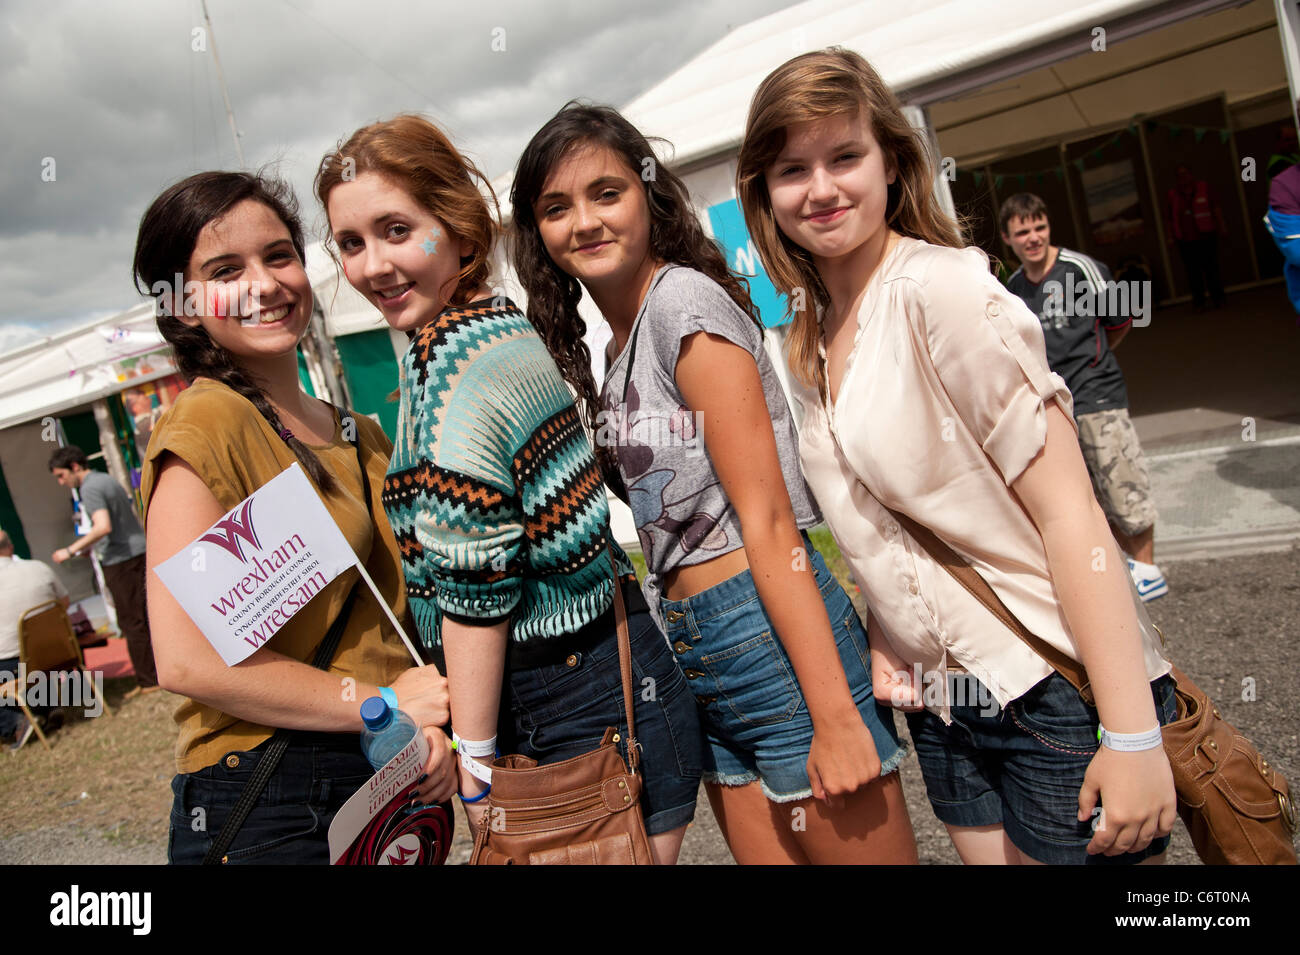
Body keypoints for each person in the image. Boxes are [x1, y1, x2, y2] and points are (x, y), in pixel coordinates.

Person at [737, 47, 1177, 865]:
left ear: (894, 166)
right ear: (764, 192)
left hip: (1050, 686)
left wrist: (1132, 731)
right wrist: (886, 623)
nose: (821, 187)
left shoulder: (945, 291)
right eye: (792, 168)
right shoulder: (801, 341)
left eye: (844, 156)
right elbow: (880, 518)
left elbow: (1070, 511)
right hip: (937, 701)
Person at [510, 102, 918, 864]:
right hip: (699, 650)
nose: (585, 222)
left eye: (607, 193)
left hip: (767, 634)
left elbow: (767, 520)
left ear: (648, 196)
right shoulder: (617, 347)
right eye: (556, 207)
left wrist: (834, 715)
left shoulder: (681, 304)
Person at [317, 115, 703, 865]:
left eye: (398, 230)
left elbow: (476, 588)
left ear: (460, 231)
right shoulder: (463, 336)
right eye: (351, 243)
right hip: (583, 687)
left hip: (571, 705)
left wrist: (477, 757)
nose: (372, 265)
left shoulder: (466, 367)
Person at [134, 170, 454, 864]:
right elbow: (188, 660)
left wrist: (423, 734)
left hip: (379, 772)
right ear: (184, 304)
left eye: (279, 255)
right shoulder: (208, 423)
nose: (266, 283)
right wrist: (379, 702)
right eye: (226, 270)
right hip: (266, 794)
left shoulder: (357, 432)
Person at [999, 193, 1166, 601]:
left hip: (1098, 394)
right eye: (1023, 232)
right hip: (1054, 405)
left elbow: (1120, 321)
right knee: (1086, 494)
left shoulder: (1083, 268)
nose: (1033, 238)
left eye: (1039, 227)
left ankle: (1148, 569)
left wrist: (1094, 359)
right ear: (1008, 239)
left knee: (1123, 483)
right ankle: (1124, 570)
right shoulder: (1013, 288)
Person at [48, 445, 159, 693]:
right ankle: (161, 671)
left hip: (120, 560)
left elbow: (103, 526)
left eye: (61, 475)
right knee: (148, 615)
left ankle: (149, 681)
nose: (61, 482)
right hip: (137, 551)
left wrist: (70, 550)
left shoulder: (89, 488)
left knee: (132, 621)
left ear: (74, 467)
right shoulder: (106, 479)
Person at [0, 529, 69, 748]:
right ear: (10, 547)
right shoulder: (39, 567)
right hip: (58, 654)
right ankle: (45, 706)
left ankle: (16, 723)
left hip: (15, 665)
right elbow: (64, 603)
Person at [1164, 165, 1227, 309]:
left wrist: (1222, 227)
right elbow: (1168, 219)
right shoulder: (1172, 195)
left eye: (1185, 174)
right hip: (1185, 240)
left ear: (1191, 175)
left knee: (1212, 269)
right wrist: (1170, 237)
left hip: (1206, 235)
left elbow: (1215, 208)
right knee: (1193, 273)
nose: (1183, 178)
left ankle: (1218, 298)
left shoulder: (1204, 188)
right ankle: (1199, 302)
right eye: (1180, 175)